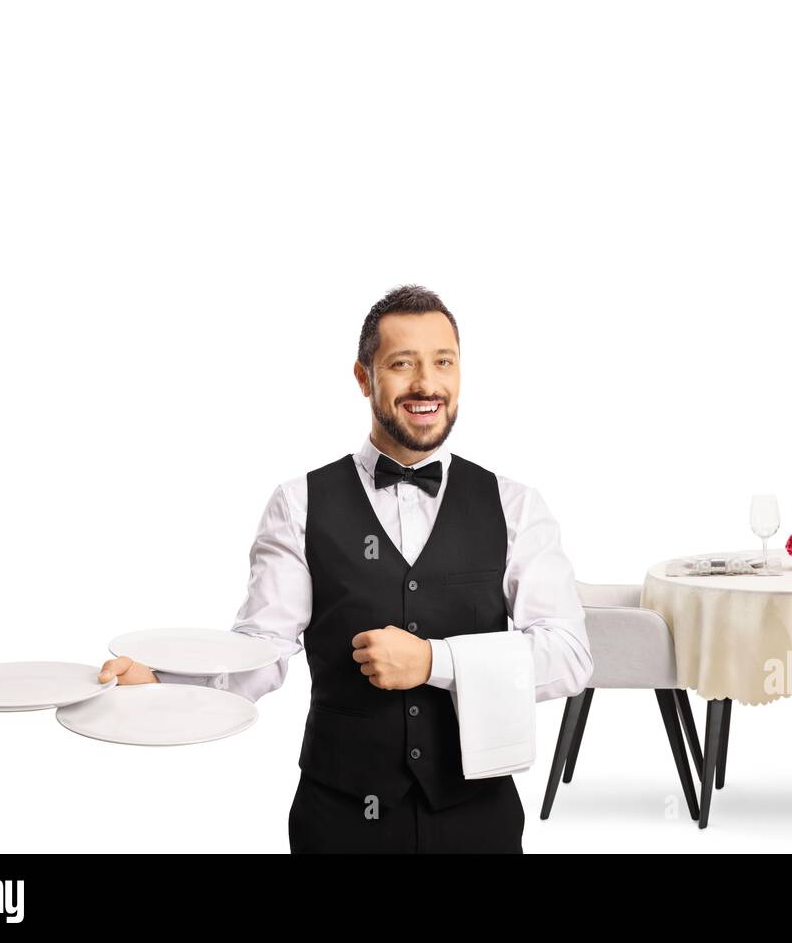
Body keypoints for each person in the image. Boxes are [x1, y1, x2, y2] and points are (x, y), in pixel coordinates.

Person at [97, 284, 594, 853]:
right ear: (363, 378)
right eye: (401, 364)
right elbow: (263, 648)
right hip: (339, 820)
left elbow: (570, 655)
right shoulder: (299, 503)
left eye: (443, 362)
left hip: (476, 816)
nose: (426, 383)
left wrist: (436, 661)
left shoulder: (515, 504)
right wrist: (161, 683)